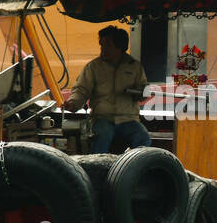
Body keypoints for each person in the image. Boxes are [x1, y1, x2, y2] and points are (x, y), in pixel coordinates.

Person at [64, 26, 152, 154]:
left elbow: (143, 89)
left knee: (143, 138)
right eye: (102, 45)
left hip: (128, 119)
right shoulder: (93, 67)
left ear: (120, 47)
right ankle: (97, 169)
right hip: (102, 118)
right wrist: (72, 103)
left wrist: (142, 93)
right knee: (102, 136)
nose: (103, 49)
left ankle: (133, 168)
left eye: (108, 46)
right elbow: (81, 90)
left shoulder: (135, 67)